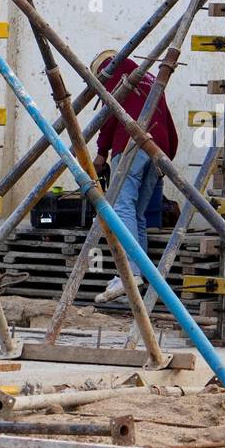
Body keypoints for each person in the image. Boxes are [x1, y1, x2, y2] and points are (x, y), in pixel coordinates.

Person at [89, 50, 179, 304]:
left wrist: (101, 153)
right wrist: (164, 157)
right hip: (157, 148)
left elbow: (109, 116)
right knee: (137, 214)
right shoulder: (149, 79)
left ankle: (128, 274)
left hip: (131, 143)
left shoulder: (113, 74)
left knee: (120, 206)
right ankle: (139, 276)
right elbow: (168, 120)